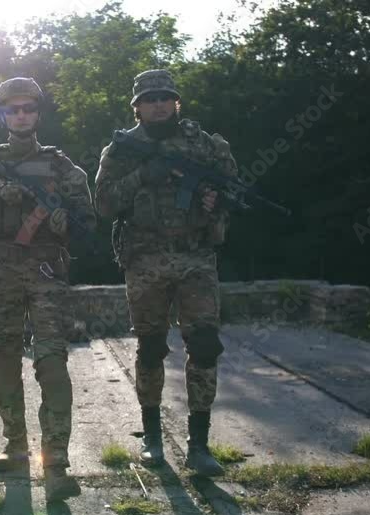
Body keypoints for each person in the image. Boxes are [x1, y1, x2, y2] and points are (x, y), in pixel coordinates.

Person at [0, 77, 95, 502]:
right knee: (5, 359)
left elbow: (89, 223)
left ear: (38, 114)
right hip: (0, 271)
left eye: (28, 108)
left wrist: (67, 221)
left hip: (47, 270)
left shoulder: (60, 166)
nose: (22, 115)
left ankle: (56, 462)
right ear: (3, 116)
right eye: (13, 109)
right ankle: (15, 448)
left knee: (52, 362)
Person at [94, 69, 236, 476]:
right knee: (151, 347)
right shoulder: (121, 150)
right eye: (149, 99)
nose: (158, 105)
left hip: (196, 257)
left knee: (204, 345)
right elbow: (103, 204)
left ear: (176, 102)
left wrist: (215, 201)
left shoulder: (204, 144)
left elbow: (229, 189)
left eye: (164, 98)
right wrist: (143, 175)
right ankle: (153, 440)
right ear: (137, 107)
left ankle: (199, 445)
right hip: (145, 260)